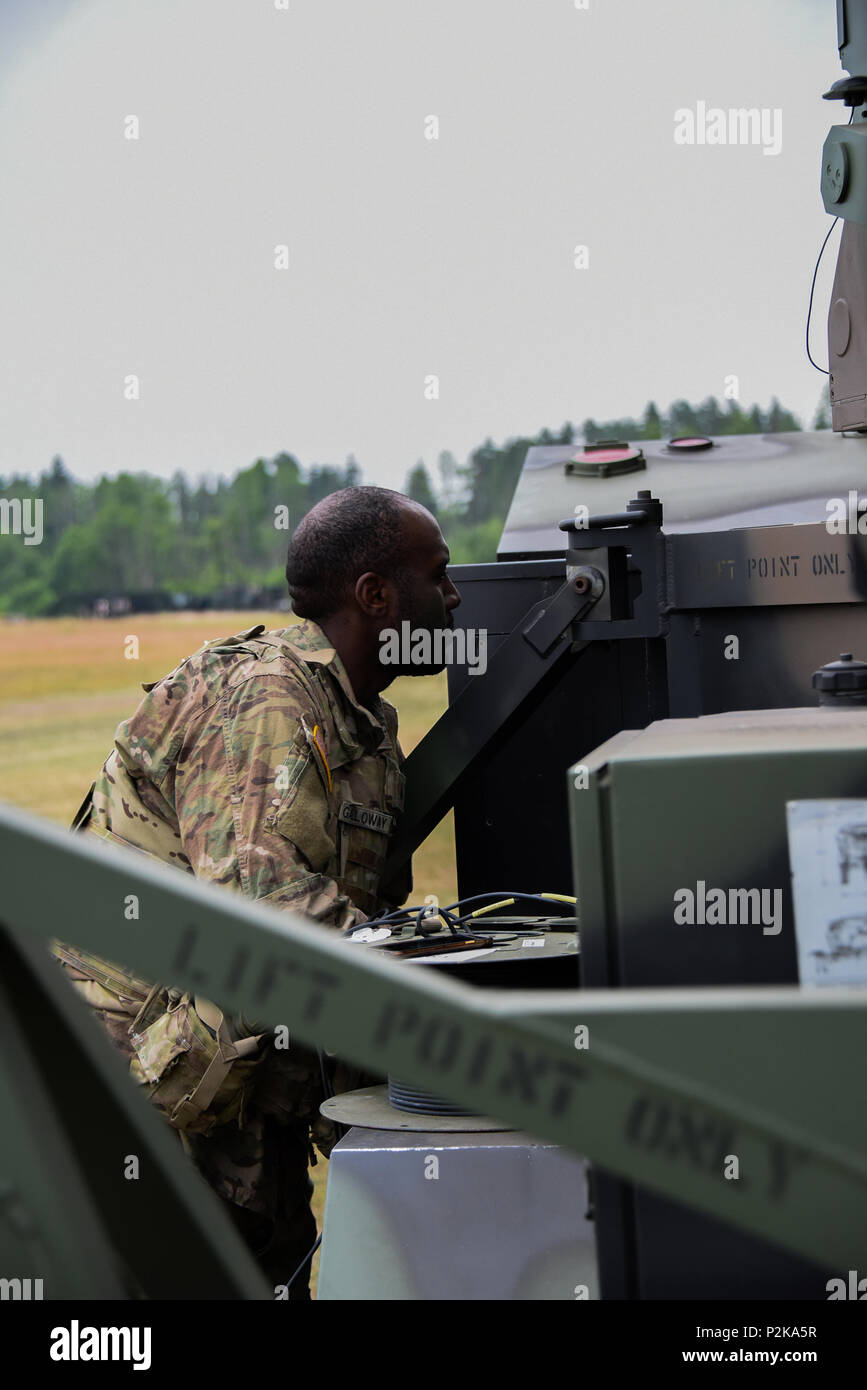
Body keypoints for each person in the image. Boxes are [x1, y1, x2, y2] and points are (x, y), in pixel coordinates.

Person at [50, 485, 461, 1297]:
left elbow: (359, 920)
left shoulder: (363, 727)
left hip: (235, 1094)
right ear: (375, 595)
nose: (453, 598)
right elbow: (263, 913)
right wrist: (443, 977)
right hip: (143, 1094)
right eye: (438, 576)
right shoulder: (270, 700)